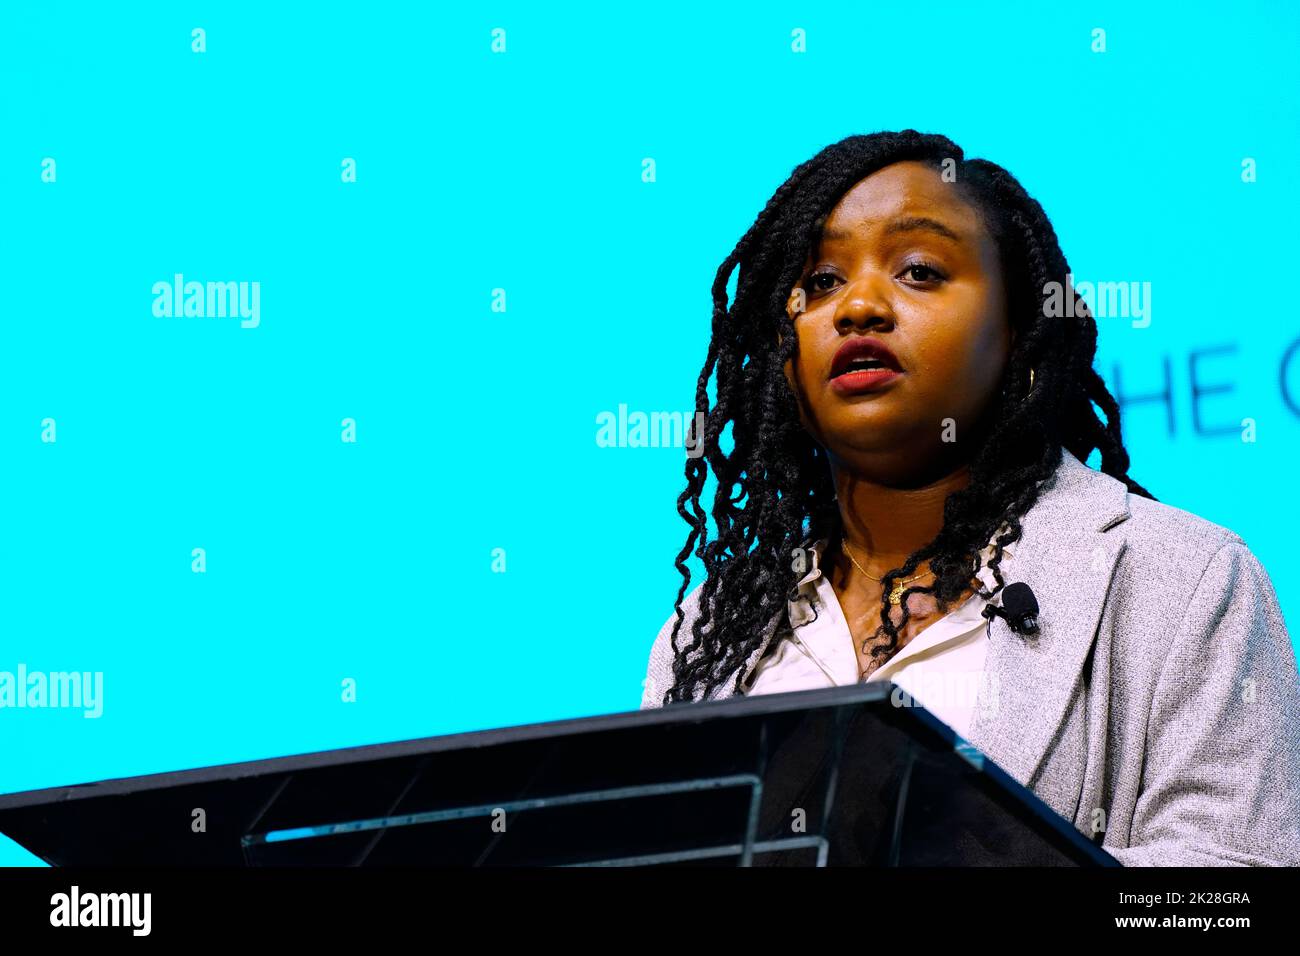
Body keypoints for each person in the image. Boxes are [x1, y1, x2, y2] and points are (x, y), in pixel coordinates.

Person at [639, 130, 1300, 866]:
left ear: (1017, 329)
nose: (857, 306)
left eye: (918, 270)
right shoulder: (707, 634)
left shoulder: (1183, 580)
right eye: (820, 282)